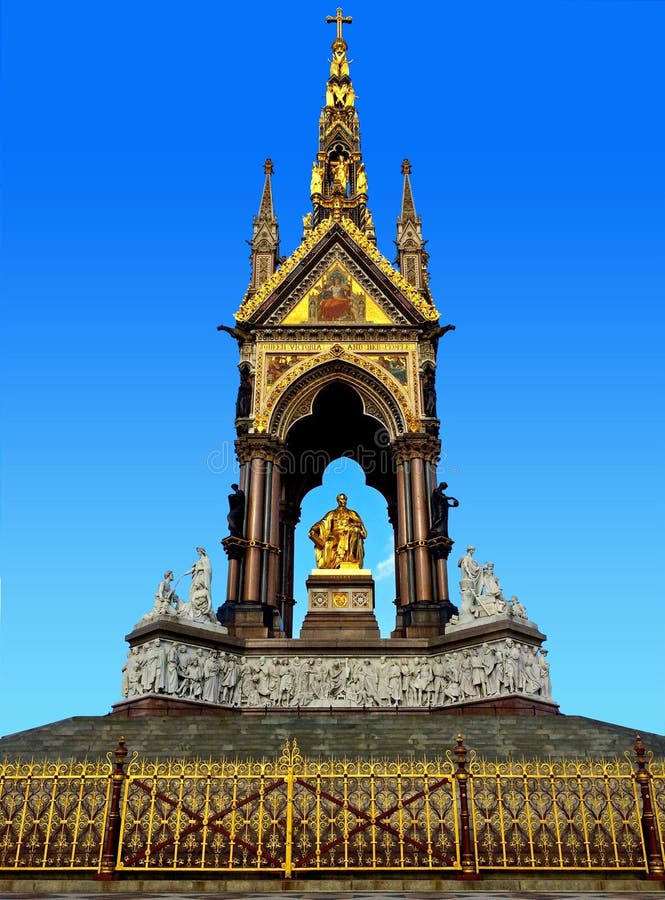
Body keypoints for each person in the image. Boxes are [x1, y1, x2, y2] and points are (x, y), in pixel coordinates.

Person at [308, 493, 367, 569]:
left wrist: (353, 527)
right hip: (334, 535)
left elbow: (360, 525)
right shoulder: (331, 513)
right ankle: (329, 563)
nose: (344, 501)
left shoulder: (352, 513)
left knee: (355, 530)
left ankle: (352, 557)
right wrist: (313, 529)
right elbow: (322, 523)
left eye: (345, 499)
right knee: (329, 541)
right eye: (342, 499)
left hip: (348, 533)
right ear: (338, 501)